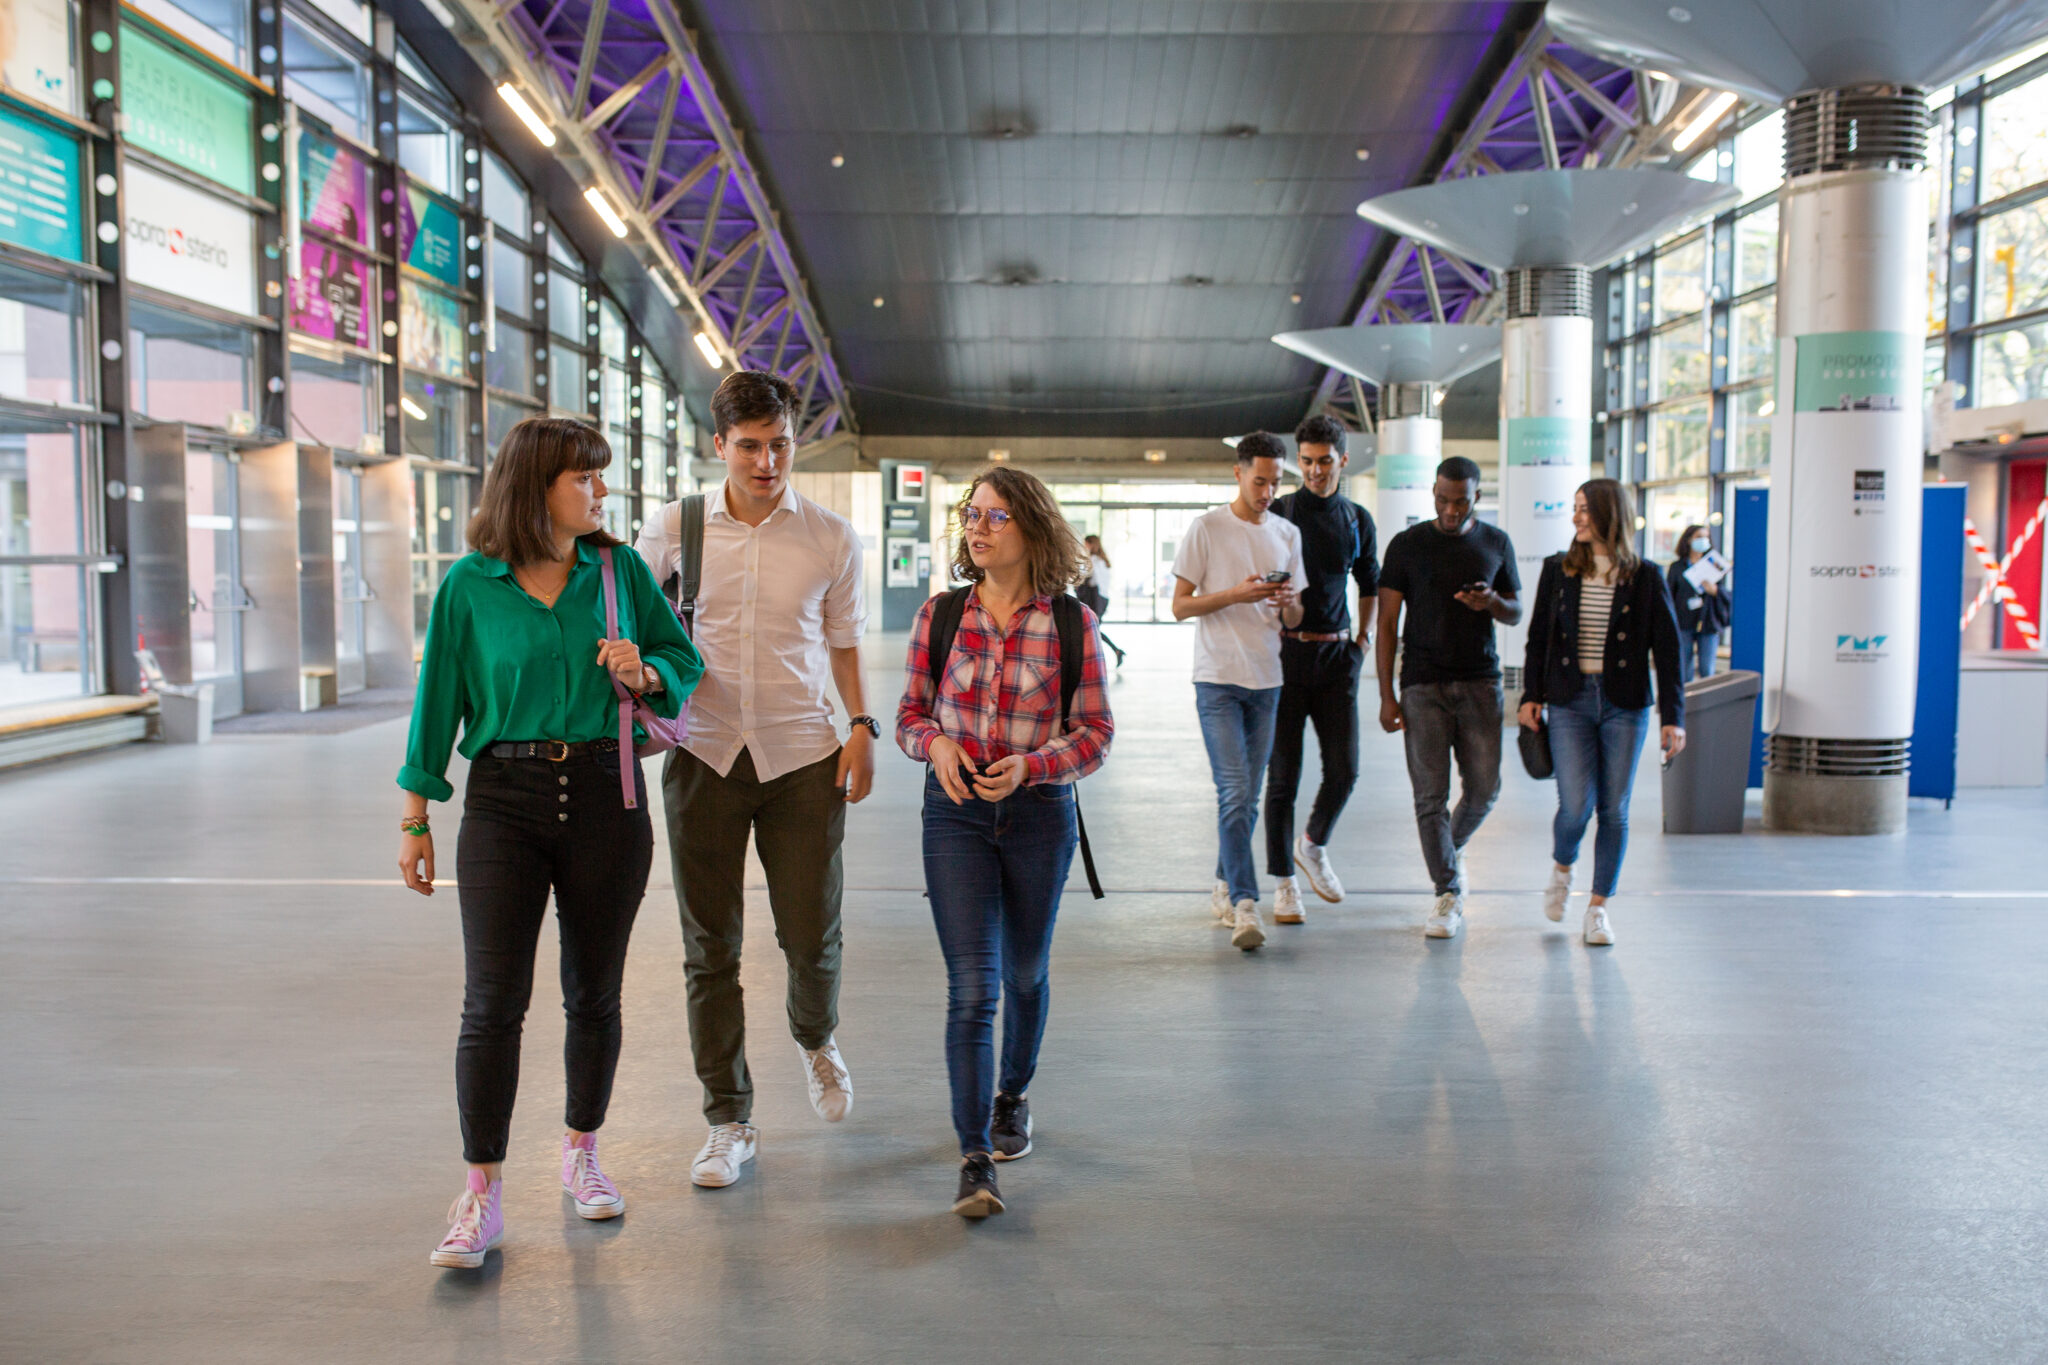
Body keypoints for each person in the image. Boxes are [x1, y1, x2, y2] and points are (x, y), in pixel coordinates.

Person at [397, 417, 705, 1269]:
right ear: (536, 485)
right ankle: (481, 1193)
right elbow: (438, 702)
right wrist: (417, 814)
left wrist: (647, 672)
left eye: (600, 478)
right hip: (503, 798)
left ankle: (582, 1150)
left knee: (593, 992)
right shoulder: (469, 585)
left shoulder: (619, 571)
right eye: (585, 478)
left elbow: (686, 660)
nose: (600, 492)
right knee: (492, 1000)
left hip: (609, 793)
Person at [634, 370, 874, 1191]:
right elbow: (627, 618)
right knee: (710, 949)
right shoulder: (674, 528)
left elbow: (843, 642)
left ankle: (816, 1036)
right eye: (749, 447)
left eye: (779, 445)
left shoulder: (832, 537)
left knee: (811, 933)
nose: (767, 461)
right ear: (719, 446)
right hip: (701, 753)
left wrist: (862, 727)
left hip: (804, 754)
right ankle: (728, 1117)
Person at [897, 466, 1114, 1219]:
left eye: (994, 516)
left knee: (1024, 972)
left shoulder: (1072, 624)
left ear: (1031, 527)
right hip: (954, 815)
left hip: (1038, 816)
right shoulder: (941, 614)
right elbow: (908, 714)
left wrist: (1034, 765)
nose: (977, 528)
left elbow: (1097, 735)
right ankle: (974, 1158)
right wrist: (937, 748)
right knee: (973, 987)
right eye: (971, 515)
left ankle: (1012, 1094)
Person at [1519, 481, 1687, 946]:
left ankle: (1598, 908)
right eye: (1575, 510)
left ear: (1610, 515)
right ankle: (1562, 865)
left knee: (1614, 809)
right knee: (1575, 806)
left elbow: (1669, 652)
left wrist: (1674, 717)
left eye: (1585, 511)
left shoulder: (1646, 576)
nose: (1577, 519)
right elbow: (1538, 639)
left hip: (1625, 705)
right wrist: (1529, 696)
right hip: (1569, 700)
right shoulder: (1558, 571)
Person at [1374, 456, 1521, 940]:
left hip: (1481, 682)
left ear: (1477, 496)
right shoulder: (1407, 545)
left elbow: (1515, 611)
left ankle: (1446, 859)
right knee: (1430, 797)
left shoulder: (1496, 542)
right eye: (1442, 498)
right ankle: (1448, 890)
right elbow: (1388, 624)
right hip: (1422, 685)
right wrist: (1386, 695)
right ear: (1433, 493)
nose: (1450, 508)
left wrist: (1491, 603)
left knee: (1484, 790)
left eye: (1460, 500)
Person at [1170, 431, 1305, 951]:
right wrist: (1236, 593)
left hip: (1267, 681)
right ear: (1239, 474)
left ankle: (1224, 883)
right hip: (1218, 679)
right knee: (1234, 791)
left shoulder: (1288, 534)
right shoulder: (1207, 528)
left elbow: (1295, 616)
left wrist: (1287, 601)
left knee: (1245, 800)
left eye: (1275, 482)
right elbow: (1180, 606)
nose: (1268, 491)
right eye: (1260, 480)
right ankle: (1247, 904)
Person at [1263, 414, 1379, 925]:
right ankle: (1284, 885)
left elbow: (1371, 584)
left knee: (1345, 769)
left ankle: (1311, 844)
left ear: (1343, 461)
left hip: (1337, 659)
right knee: (1283, 777)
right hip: (1286, 657)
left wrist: (1362, 642)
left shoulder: (1357, 519)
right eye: (1306, 462)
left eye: (1324, 462)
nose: (1314, 471)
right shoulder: (1282, 513)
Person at [1666, 523, 1730, 683]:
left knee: (1707, 669)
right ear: (1688, 540)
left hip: (1708, 621)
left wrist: (1714, 590)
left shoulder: (1715, 565)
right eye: (1699, 537)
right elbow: (1669, 595)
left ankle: (1705, 703)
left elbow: (1726, 594)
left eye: (1706, 537)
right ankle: (1686, 703)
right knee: (1684, 668)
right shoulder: (1677, 567)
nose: (1703, 540)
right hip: (1684, 622)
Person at [1079, 534, 1126, 667]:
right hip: (1103, 598)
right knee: (1093, 629)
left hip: (1095, 598)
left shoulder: (1093, 560)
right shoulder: (1103, 561)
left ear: (1091, 544)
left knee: (1092, 629)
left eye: (1086, 544)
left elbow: (1093, 581)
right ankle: (1115, 651)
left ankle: (1108, 654)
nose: (1084, 546)